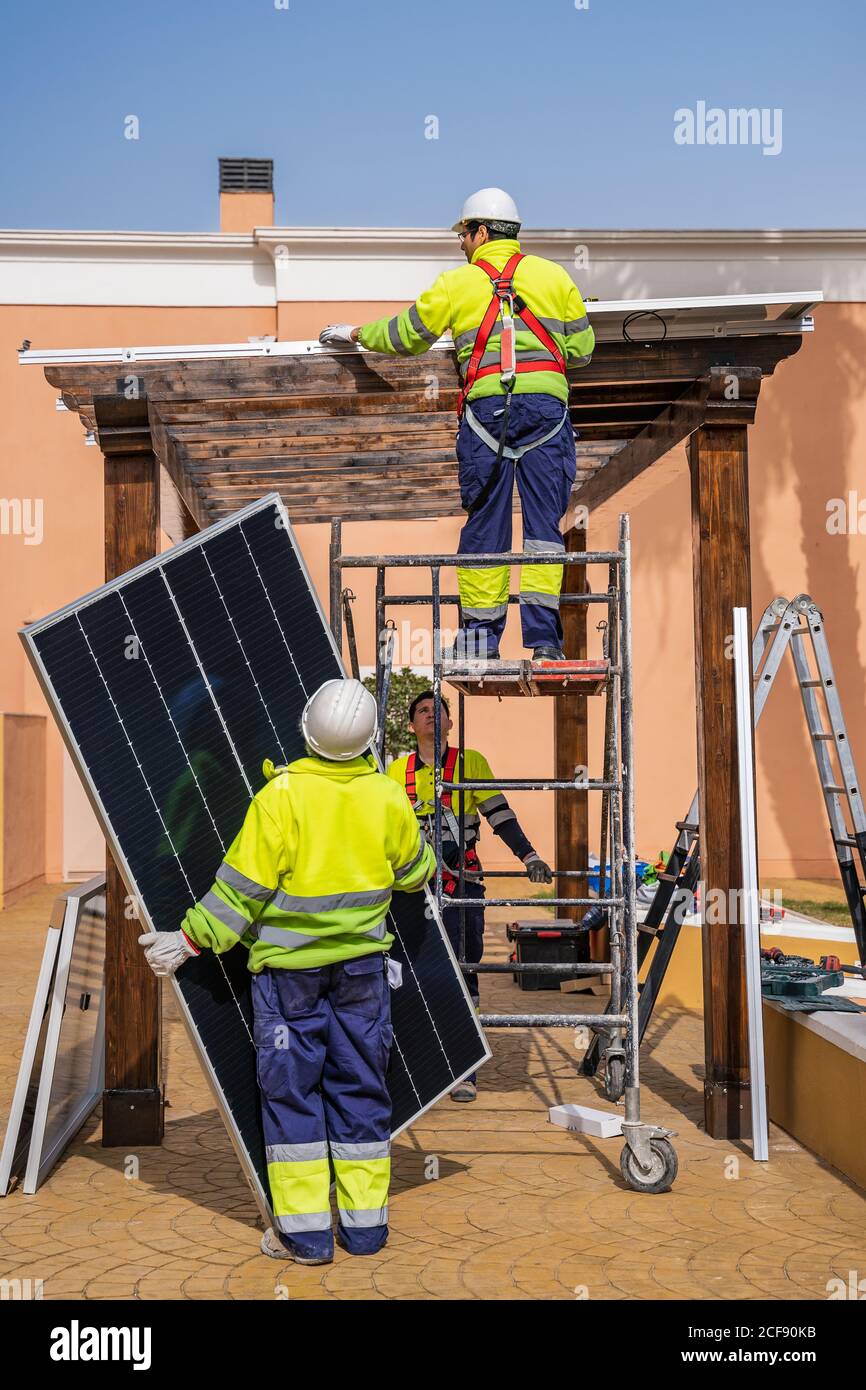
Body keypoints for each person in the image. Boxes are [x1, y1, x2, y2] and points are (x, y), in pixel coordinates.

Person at [139, 678, 435, 1265]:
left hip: (289, 979)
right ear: (372, 739)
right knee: (362, 1093)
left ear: (306, 731)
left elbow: (239, 893)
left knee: (294, 1097)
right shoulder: (387, 796)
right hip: (363, 975)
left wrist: (190, 940)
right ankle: (366, 1230)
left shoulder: (281, 797)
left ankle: (303, 1238)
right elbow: (416, 872)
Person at [319, 187, 595, 662]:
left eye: (463, 234)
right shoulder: (555, 278)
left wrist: (356, 334)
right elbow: (582, 350)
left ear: (482, 231)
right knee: (544, 528)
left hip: (488, 418)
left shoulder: (455, 284)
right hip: (547, 417)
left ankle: (479, 644)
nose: (460, 244)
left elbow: (407, 335)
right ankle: (546, 644)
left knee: (486, 527)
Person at [388, 690, 552, 1101]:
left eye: (438, 711)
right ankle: (418, 1064)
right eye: (422, 711)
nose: (431, 716)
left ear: (450, 723)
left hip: (461, 883)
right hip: (411, 887)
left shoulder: (469, 762)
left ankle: (464, 1067)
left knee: (463, 969)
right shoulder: (395, 771)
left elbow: (499, 815)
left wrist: (528, 855)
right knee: (411, 972)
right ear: (412, 726)